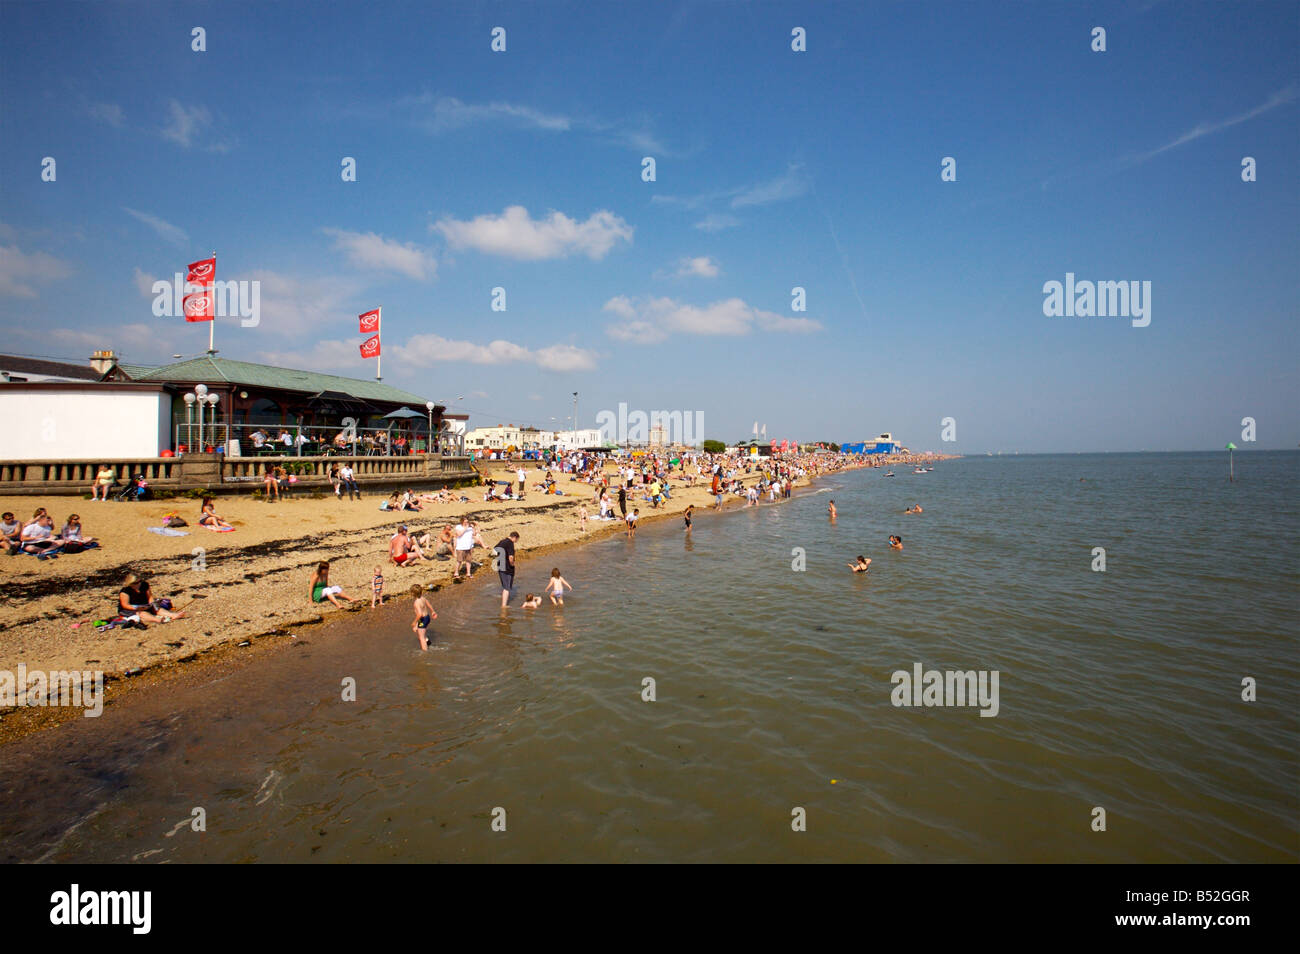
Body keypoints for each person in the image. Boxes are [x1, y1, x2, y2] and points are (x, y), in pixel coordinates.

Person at [118, 572, 184, 622]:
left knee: (157, 609)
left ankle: (173, 615)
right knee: (142, 613)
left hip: (144, 605)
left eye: (139, 581)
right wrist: (137, 608)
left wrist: (153, 604)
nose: (138, 584)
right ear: (130, 583)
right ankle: (157, 620)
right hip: (130, 609)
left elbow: (150, 597)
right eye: (135, 583)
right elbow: (125, 605)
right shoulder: (125, 591)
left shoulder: (144, 585)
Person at [495, 531, 519, 608]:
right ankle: (504, 605)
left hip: (500, 565)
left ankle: (503, 599)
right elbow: (511, 557)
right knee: (507, 587)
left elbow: (495, 550)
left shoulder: (502, 541)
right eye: (516, 540)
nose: (516, 542)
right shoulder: (510, 543)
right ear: (515, 537)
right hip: (507, 567)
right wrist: (512, 564)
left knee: (505, 585)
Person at [411, 585, 436, 651]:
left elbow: (419, 614)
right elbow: (428, 604)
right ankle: (428, 642)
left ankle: (425, 652)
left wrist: (414, 622)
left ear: (412, 593)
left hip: (423, 619)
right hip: (427, 617)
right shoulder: (423, 598)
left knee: (421, 637)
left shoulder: (416, 603)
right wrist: (433, 611)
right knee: (420, 632)